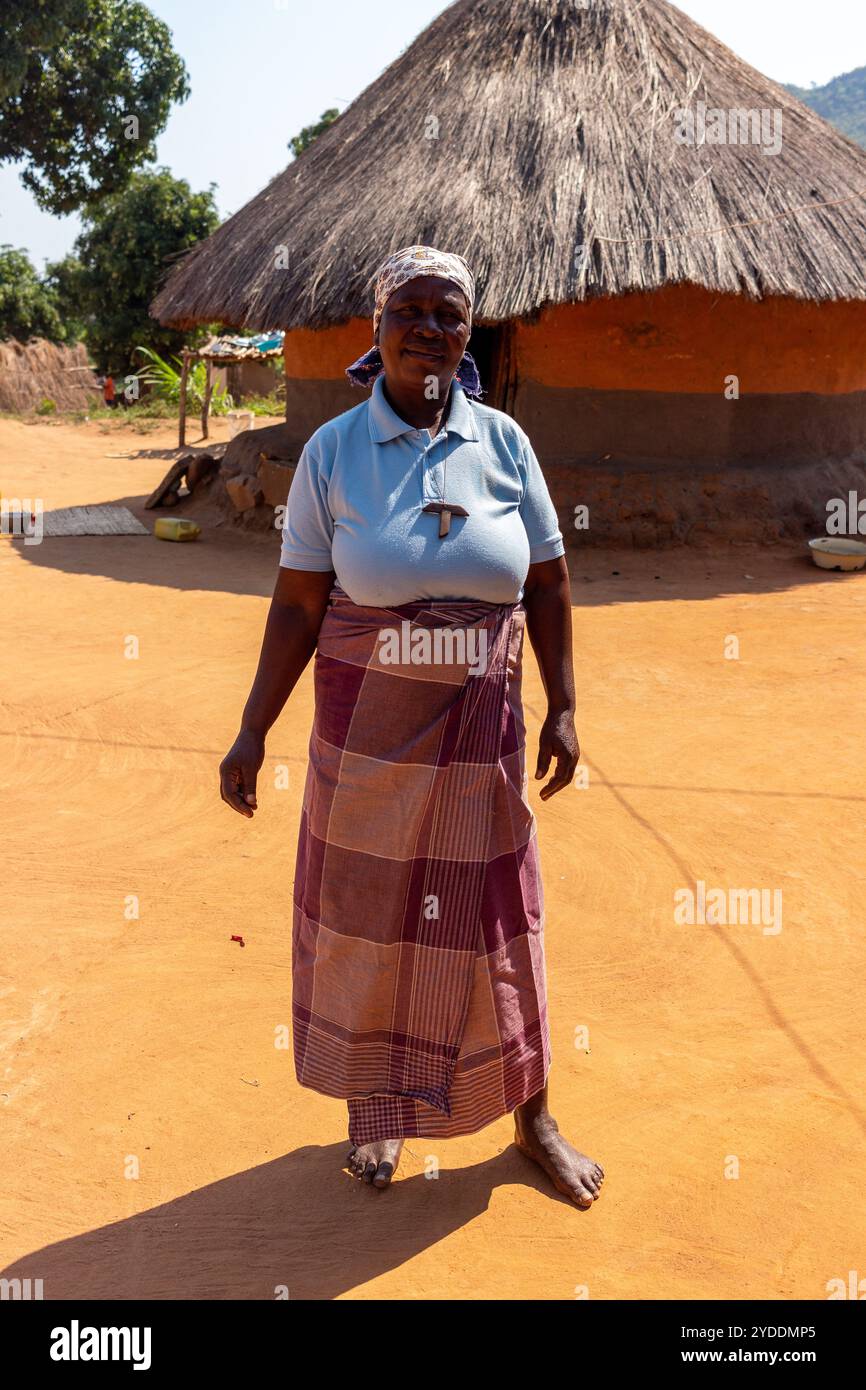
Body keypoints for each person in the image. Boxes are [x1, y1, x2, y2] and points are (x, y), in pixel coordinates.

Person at [219, 245, 604, 1208]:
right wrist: (251, 729)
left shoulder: (505, 445)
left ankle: (535, 1120)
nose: (430, 328)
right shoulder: (333, 453)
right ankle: (381, 1114)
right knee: (372, 925)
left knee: (497, 921)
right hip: (369, 744)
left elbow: (550, 583)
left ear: (468, 337)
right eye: (413, 311)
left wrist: (564, 704)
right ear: (377, 329)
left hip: (486, 742)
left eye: (451, 315)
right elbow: (300, 608)